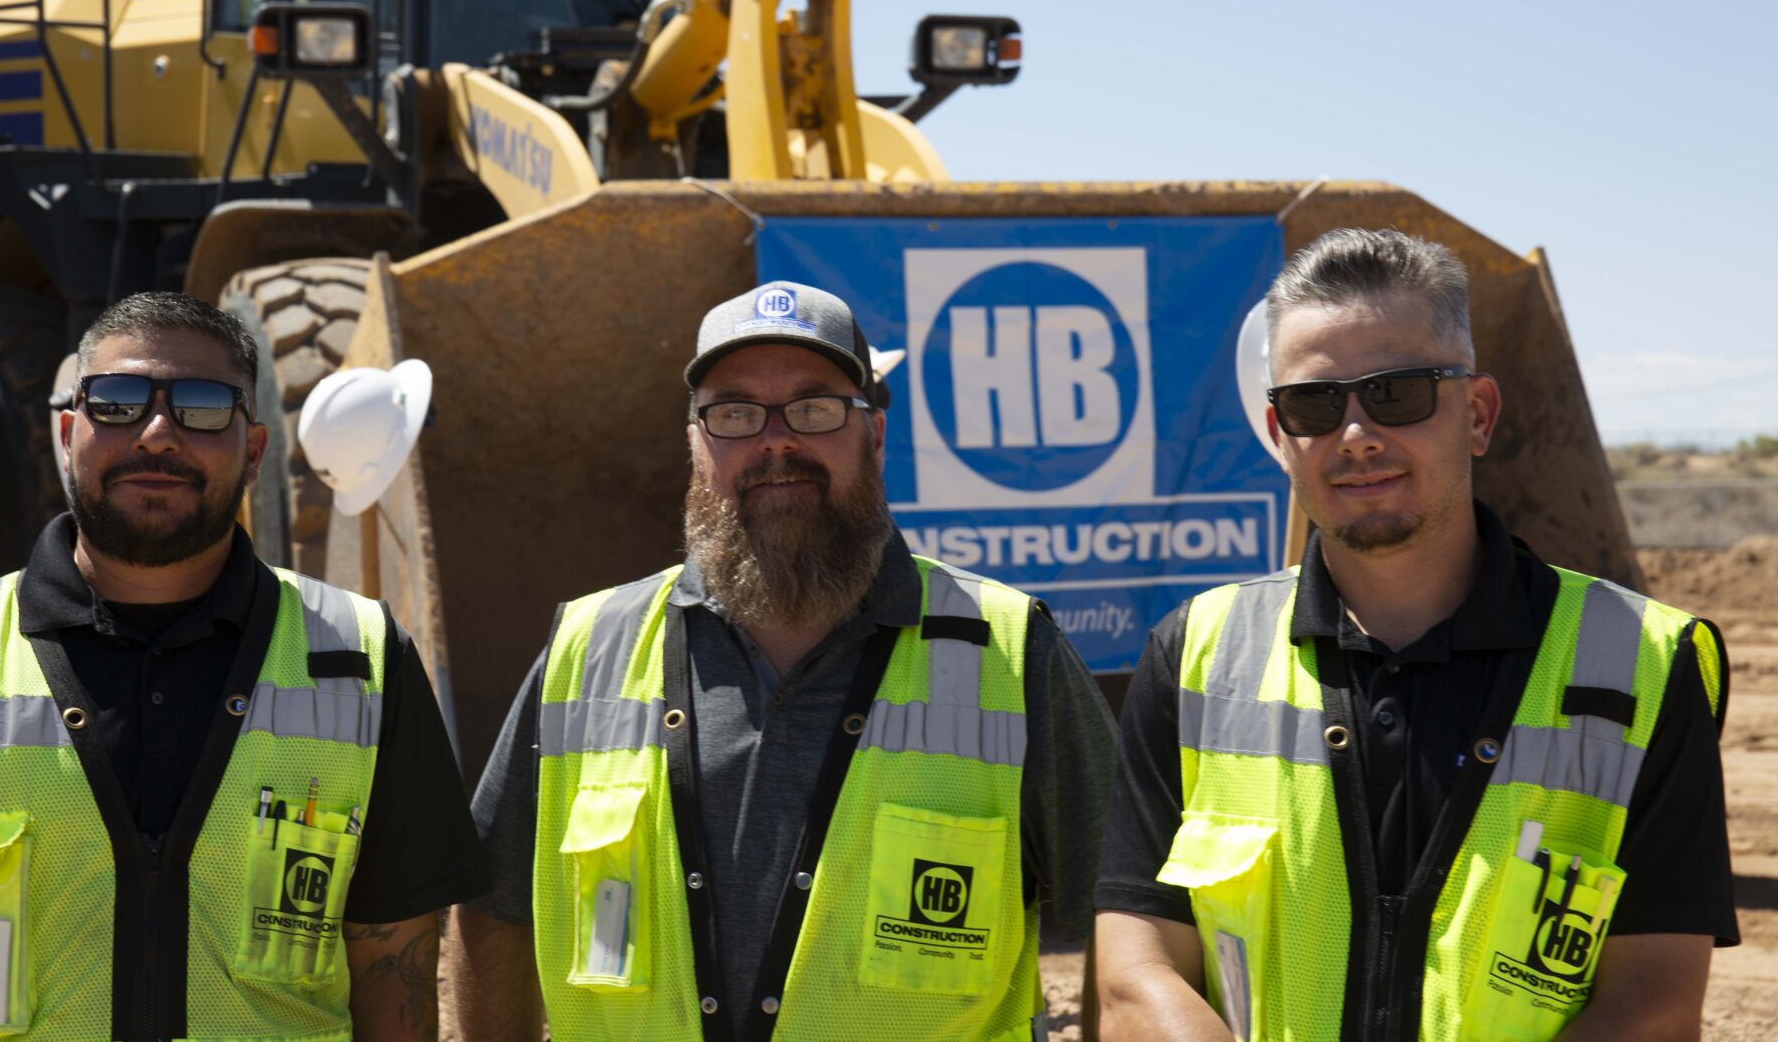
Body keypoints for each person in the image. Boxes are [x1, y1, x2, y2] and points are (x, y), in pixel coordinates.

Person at [0, 291, 488, 1041]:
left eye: (202, 406)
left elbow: (398, 978)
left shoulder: (363, 663)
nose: (157, 432)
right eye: (118, 402)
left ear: (253, 451)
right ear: (67, 433)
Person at [1094, 229, 1735, 1040]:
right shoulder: (1194, 654)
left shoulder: (1646, 665)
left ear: (1476, 413)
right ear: (1279, 434)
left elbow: (1654, 1006)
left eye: (1396, 393)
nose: (1355, 433)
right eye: (1316, 404)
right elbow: (1134, 975)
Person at [445, 280, 1117, 1040]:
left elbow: (1130, 916)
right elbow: (495, 906)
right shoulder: (588, 646)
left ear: (877, 435)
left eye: (815, 406)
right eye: (734, 413)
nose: (776, 441)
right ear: (695, 445)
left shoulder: (1010, 650)